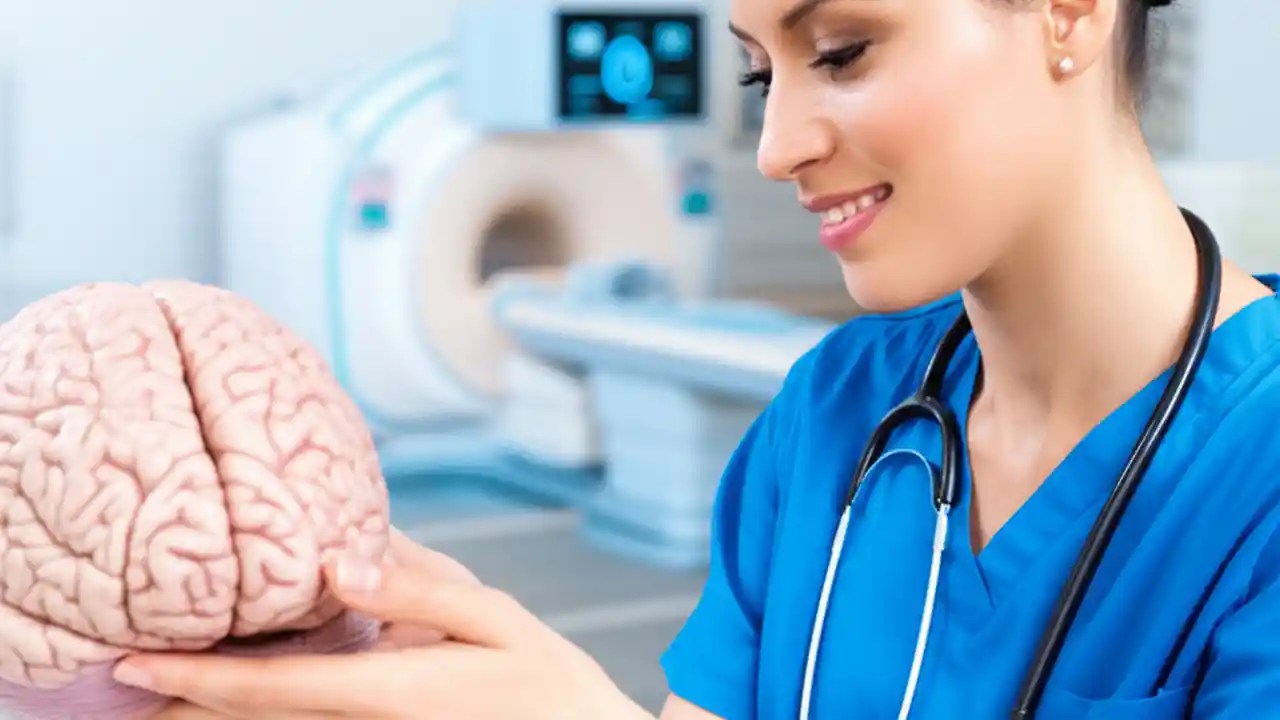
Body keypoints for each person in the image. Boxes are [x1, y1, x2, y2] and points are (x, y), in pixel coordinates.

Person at [111, 0, 1280, 716]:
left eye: (841, 49)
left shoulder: (1252, 473)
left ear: (1068, 12)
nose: (773, 147)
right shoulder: (834, 413)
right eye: (760, 74)